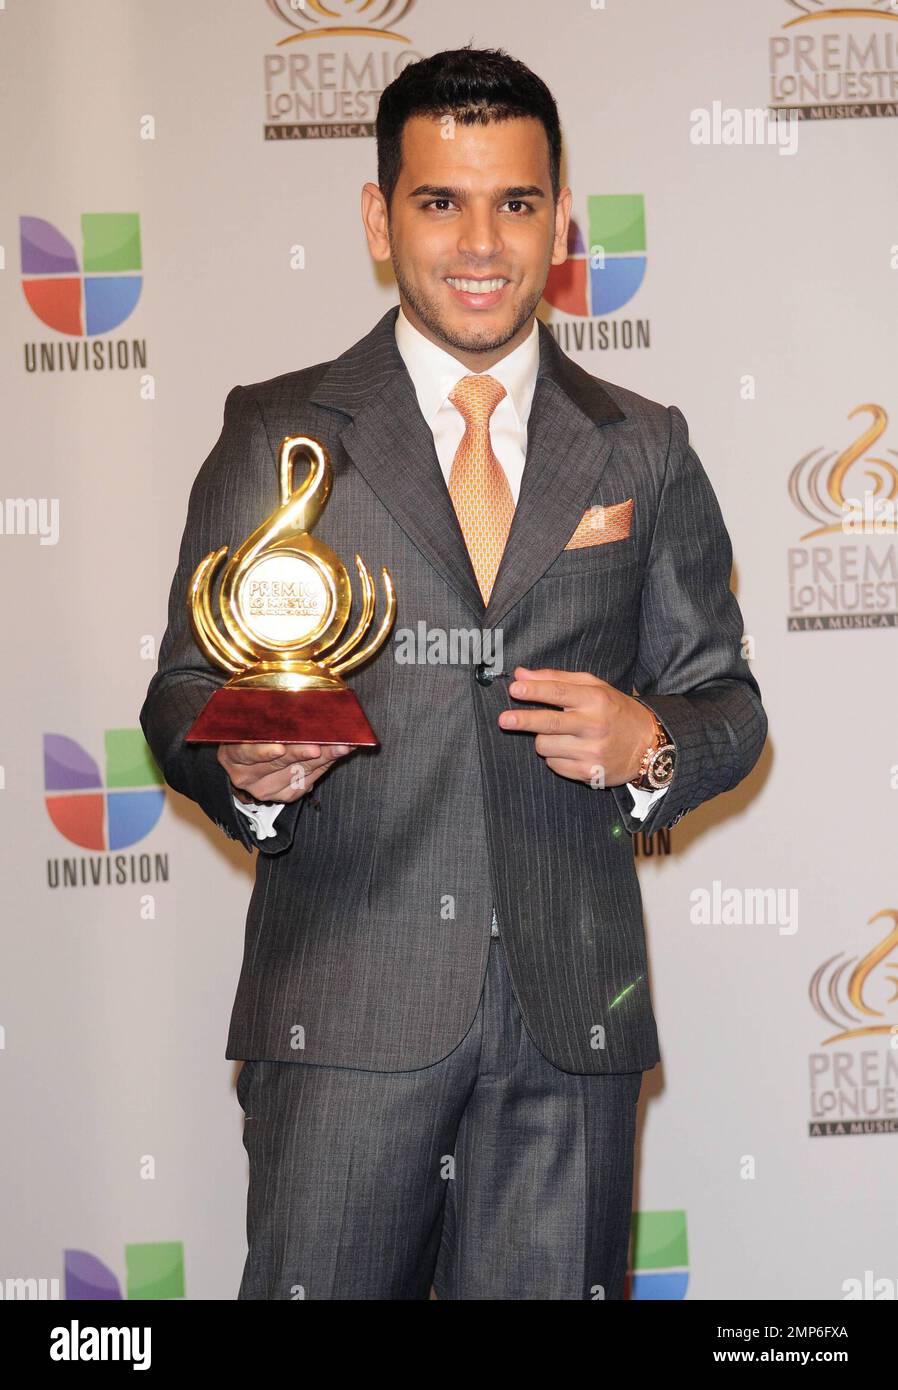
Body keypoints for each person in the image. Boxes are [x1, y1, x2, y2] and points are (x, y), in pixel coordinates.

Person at [139, 45, 767, 1300]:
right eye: (440, 201)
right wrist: (246, 766)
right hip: (343, 1016)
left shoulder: (640, 447)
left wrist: (648, 741)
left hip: (569, 1015)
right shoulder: (282, 432)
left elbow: (727, 704)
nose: (482, 242)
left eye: (516, 202)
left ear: (558, 217)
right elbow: (181, 690)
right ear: (380, 218)